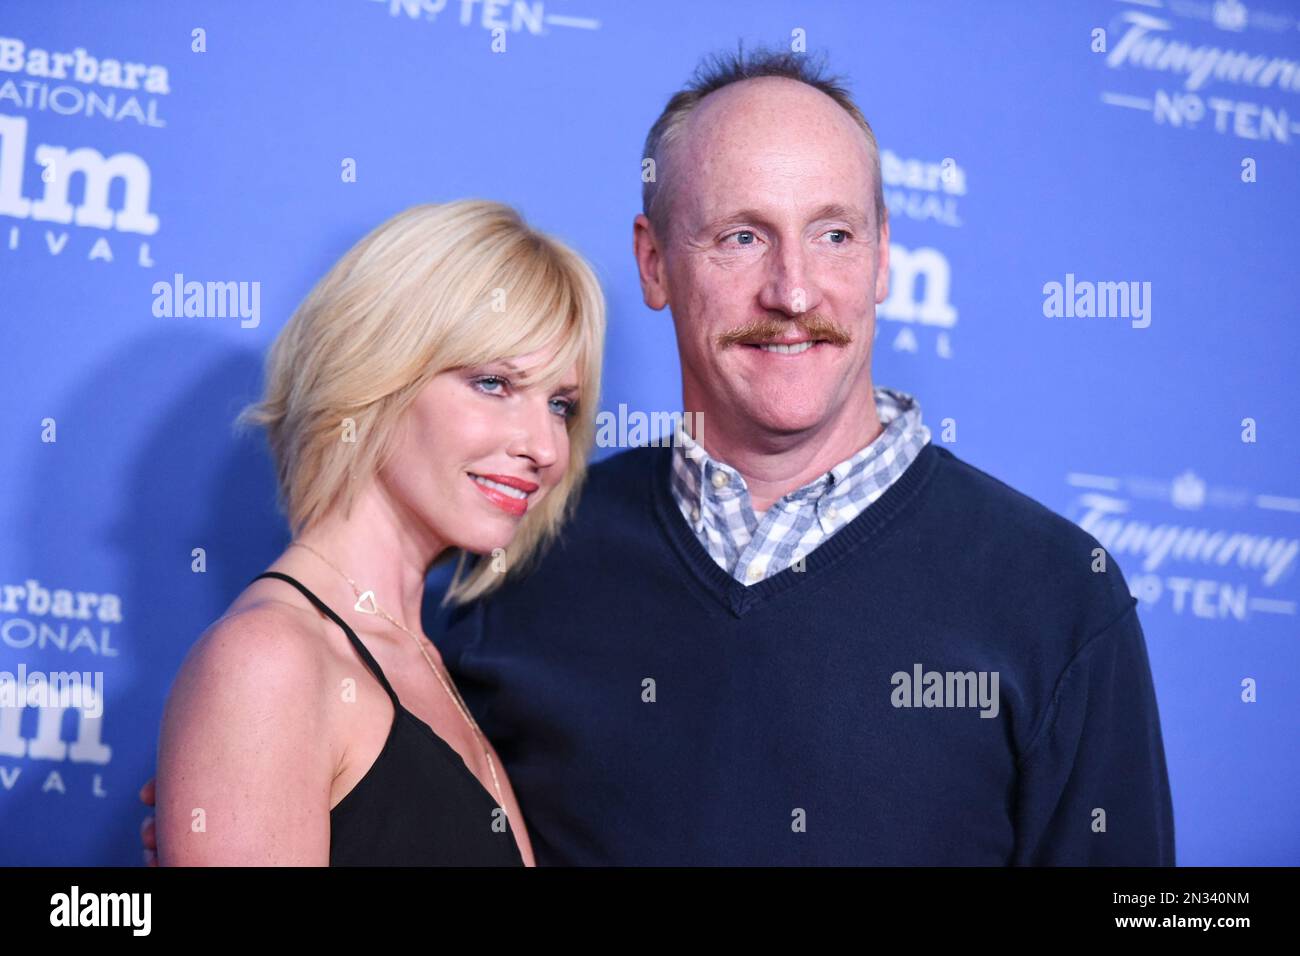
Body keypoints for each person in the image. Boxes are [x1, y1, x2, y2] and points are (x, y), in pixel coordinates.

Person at [145, 49, 1175, 866]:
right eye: (739, 237)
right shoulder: (512, 565)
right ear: (652, 260)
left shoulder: (1056, 595)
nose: (793, 292)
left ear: (883, 259)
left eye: (831, 235)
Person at [149, 200, 605, 865]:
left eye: (559, 404)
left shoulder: (426, 660)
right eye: (492, 383)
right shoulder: (270, 662)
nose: (545, 447)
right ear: (375, 374)